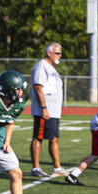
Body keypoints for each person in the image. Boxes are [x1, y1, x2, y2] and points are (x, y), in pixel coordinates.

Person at [29, 42, 69, 177]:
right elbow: (38, 87)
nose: (60, 55)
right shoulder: (41, 66)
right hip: (45, 111)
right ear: (49, 53)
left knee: (54, 138)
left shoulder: (50, 68)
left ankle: (57, 167)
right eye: (57, 53)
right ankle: (35, 168)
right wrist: (44, 108)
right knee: (38, 137)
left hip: (54, 111)